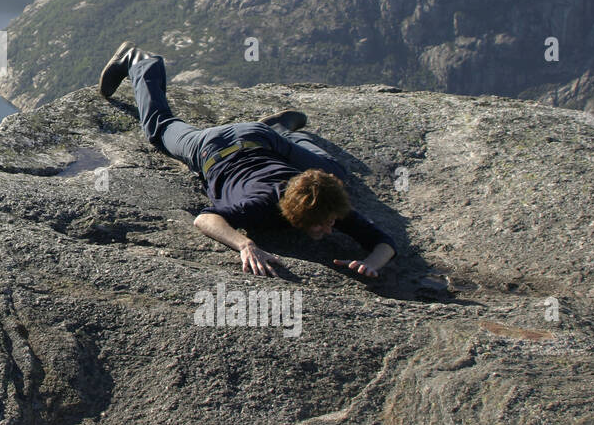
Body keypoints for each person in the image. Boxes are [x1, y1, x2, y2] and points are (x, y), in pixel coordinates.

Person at [99, 41, 397, 279]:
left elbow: (384, 243)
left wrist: (371, 263)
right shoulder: (261, 204)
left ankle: (279, 128)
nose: (329, 230)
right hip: (210, 148)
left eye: (330, 224)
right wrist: (245, 245)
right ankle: (138, 61)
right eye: (321, 226)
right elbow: (206, 219)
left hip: (261, 138)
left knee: (335, 175)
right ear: (293, 215)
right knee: (159, 129)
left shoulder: (327, 206)